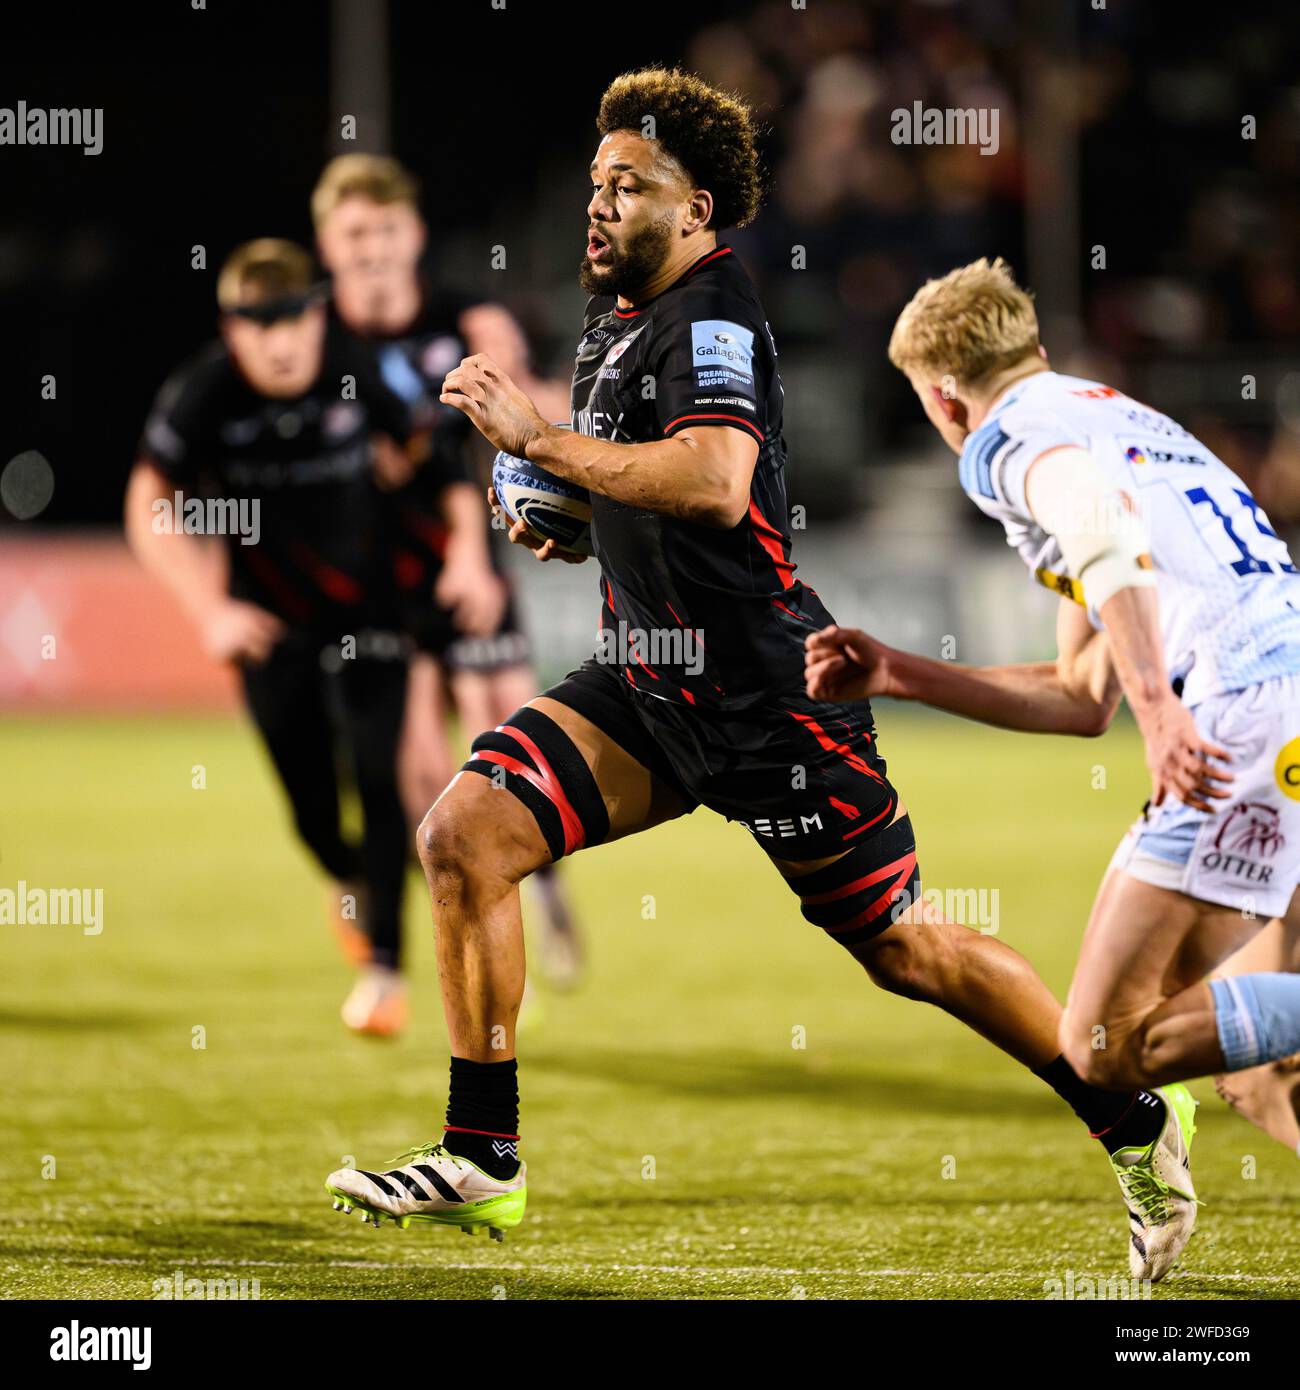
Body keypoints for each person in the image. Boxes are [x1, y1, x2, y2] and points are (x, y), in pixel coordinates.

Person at [324, 72, 1190, 1280]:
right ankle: (483, 1158)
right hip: (648, 680)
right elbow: (645, 489)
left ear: (697, 210)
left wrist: (537, 442)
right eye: (595, 183)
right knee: (464, 836)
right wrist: (568, 515)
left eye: (630, 186)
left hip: (773, 700)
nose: (599, 204)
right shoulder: (615, 313)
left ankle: (1130, 1113)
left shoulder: (711, 312)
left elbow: (716, 482)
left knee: (906, 951)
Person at [807, 256, 1300, 1169]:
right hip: (1283, 695)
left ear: (943, 397)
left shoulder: (1006, 437)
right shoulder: (1120, 417)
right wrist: (900, 673)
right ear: (1034, 349)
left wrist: (1159, 711)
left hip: (1244, 714)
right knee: (1260, 1070)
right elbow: (1079, 696)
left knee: (1107, 1044)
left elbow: (1102, 531)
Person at [125, 238, 433, 1036]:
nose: (282, 341)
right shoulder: (205, 392)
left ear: (318, 316)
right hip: (269, 625)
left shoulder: (357, 367)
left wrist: (411, 462)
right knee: (310, 814)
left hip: (372, 611)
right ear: (232, 330)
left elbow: (426, 440)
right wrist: (209, 612)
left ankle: (385, 972)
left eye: (294, 319)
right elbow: (148, 504)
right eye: (261, 325)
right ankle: (351, 877)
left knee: (379, 773)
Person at [313, 154, 582, 986]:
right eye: (356, 232)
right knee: (419, 774)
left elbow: (535, 417)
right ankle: (452, 916)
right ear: (328, 242)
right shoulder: (311, 338)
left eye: (388, 229)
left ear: (416, 235)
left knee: (509, 737)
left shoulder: (466, 319)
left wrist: (561, 409)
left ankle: (546, 894)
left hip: (465, 564)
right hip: (366, 584)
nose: (373, 248)